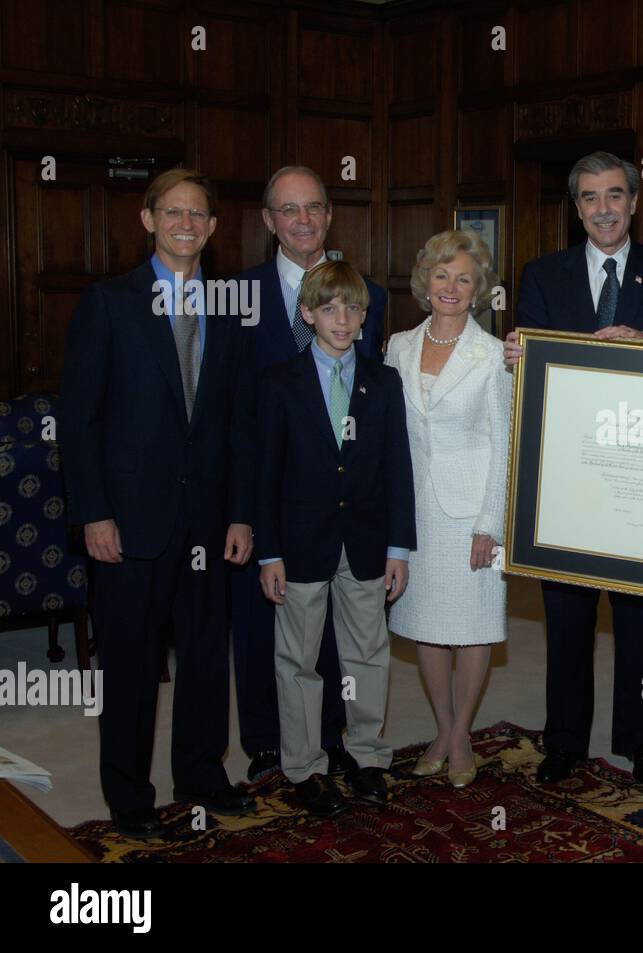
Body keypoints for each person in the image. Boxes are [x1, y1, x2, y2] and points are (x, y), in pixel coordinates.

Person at [60, 168, 257, 838]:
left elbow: (237, 422)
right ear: (148, 220)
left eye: (198, 214)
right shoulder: (108, 302)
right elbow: (79, 418)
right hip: (128, 520)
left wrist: (239, 512)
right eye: (173, 212)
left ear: (212, 227)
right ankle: (129, 795)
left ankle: (202, 773)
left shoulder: (231, 309)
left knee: (205, 657)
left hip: (208, 517)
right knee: (134, 665)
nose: (186, 224)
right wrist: (93, 512)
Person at [504, 151, 643, 785]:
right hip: (570, 475)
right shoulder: (543, 275)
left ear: (635, 201)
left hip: (640, 473)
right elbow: (533, 373)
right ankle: (564, 741)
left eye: (615, 194)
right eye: (590, 198)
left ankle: (641, 739)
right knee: (565, 618)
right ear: (577, 207)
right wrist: (518, 354)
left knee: (638, 622)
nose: (604, 208)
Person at [231, 165, 388, 783]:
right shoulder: (237, 296)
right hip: (271, 495)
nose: (303, 220)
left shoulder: (364, 295)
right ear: (268, 220)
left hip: (348, 505)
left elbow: (374, 406)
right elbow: (231, 411)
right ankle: (271, 742)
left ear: (328, 215)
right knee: (270, 627)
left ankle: (336, 738)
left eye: (314, 207)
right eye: (288, 210)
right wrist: (244, 509)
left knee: (348, 636)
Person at [256, 261, 415, 817]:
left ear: (365, 315)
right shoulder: (279, 383)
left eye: (352, 308)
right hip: (300, 544)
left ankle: (368, 755)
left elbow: (398, 467)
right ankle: (303, 765)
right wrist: (269, 551)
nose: (342, 319)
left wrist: (399, 547)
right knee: (298, 659)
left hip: (368, 542)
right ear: (308, 314)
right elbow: (265, 474)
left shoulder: (384, 381)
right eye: (329, 308)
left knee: (368, 653)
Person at [384, 231, 510, 789]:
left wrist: (492, 522)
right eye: (442, 276)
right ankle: (442, 728)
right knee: (425, 627)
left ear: (479, 288)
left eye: (464, 278)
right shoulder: (397, 346)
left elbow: (504, 442)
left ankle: (459, 738)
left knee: (473, 627)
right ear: (425, 283)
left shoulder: (493, 354)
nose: (451, 287)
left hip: (469, 512)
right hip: (413, 510)